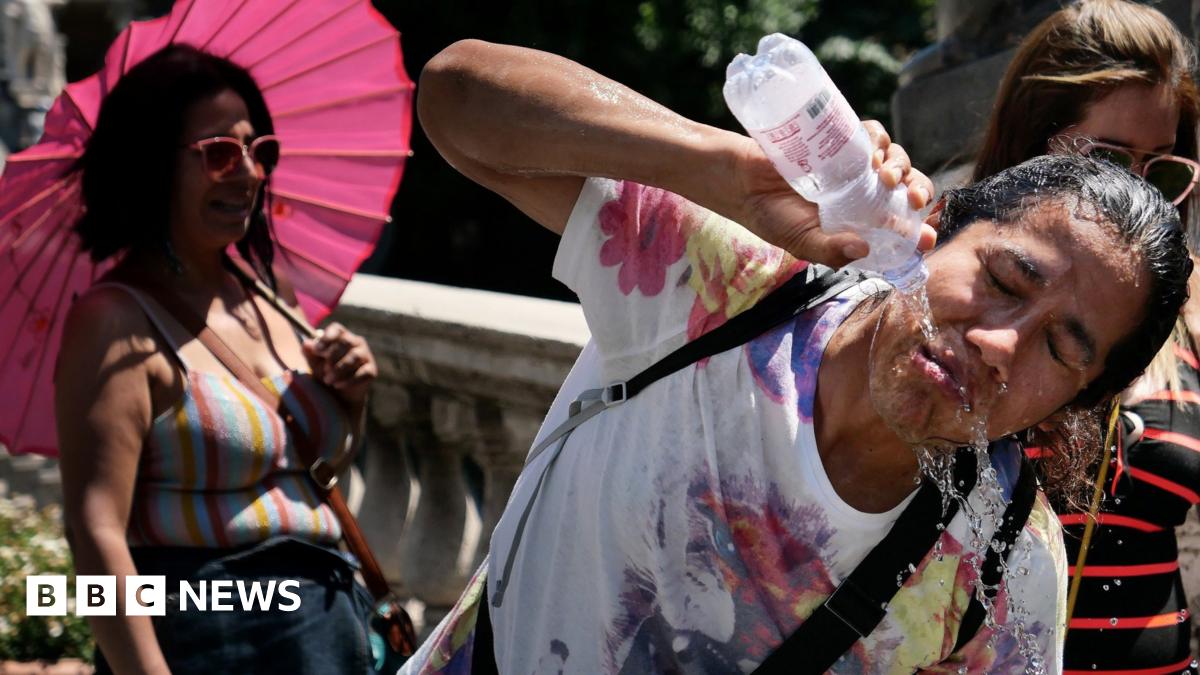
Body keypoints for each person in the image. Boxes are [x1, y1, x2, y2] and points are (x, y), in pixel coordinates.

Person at [400, 39, 1192, 673]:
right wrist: (724, 171)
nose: (997, 342)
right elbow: (454, 95)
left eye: (1059, 347)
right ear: (942, 228)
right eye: (1003, 278)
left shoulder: (1006, 573)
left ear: (1075, 401)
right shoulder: (728, 285)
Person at [54, 45, 380, 674]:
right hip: (213, 646)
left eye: (260, 151)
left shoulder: (270, 299)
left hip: (327, 639)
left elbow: (315, 472)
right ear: (152, 167)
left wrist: (352, 399)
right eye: (221, 154)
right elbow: (95, 534)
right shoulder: (113, 324)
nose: (251, 173)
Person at [973, 1, 1200, 671]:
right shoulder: (953, 278)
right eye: (1109, 158)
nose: (1140, 199)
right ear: (1034, 139)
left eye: (1160, 169)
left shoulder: (1191, 306)